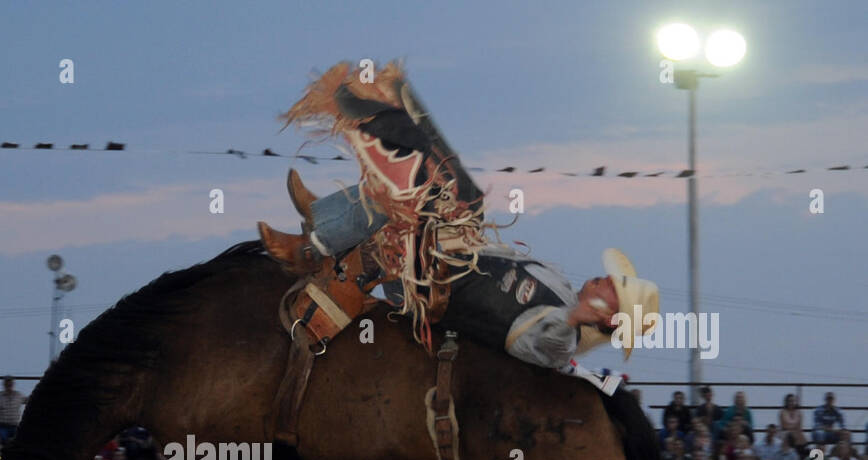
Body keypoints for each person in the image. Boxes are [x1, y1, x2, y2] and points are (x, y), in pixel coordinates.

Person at [257, 61, 659, 385]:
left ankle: (312, 245)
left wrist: (574, 317)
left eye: (614, 287)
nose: (606, 279)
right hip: (444, 260)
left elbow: (537, 347)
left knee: (412, 196)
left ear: (610, 317)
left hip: (431, 292)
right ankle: (331, 211)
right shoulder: (557, 284)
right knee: (443, 184)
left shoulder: (561, 340)